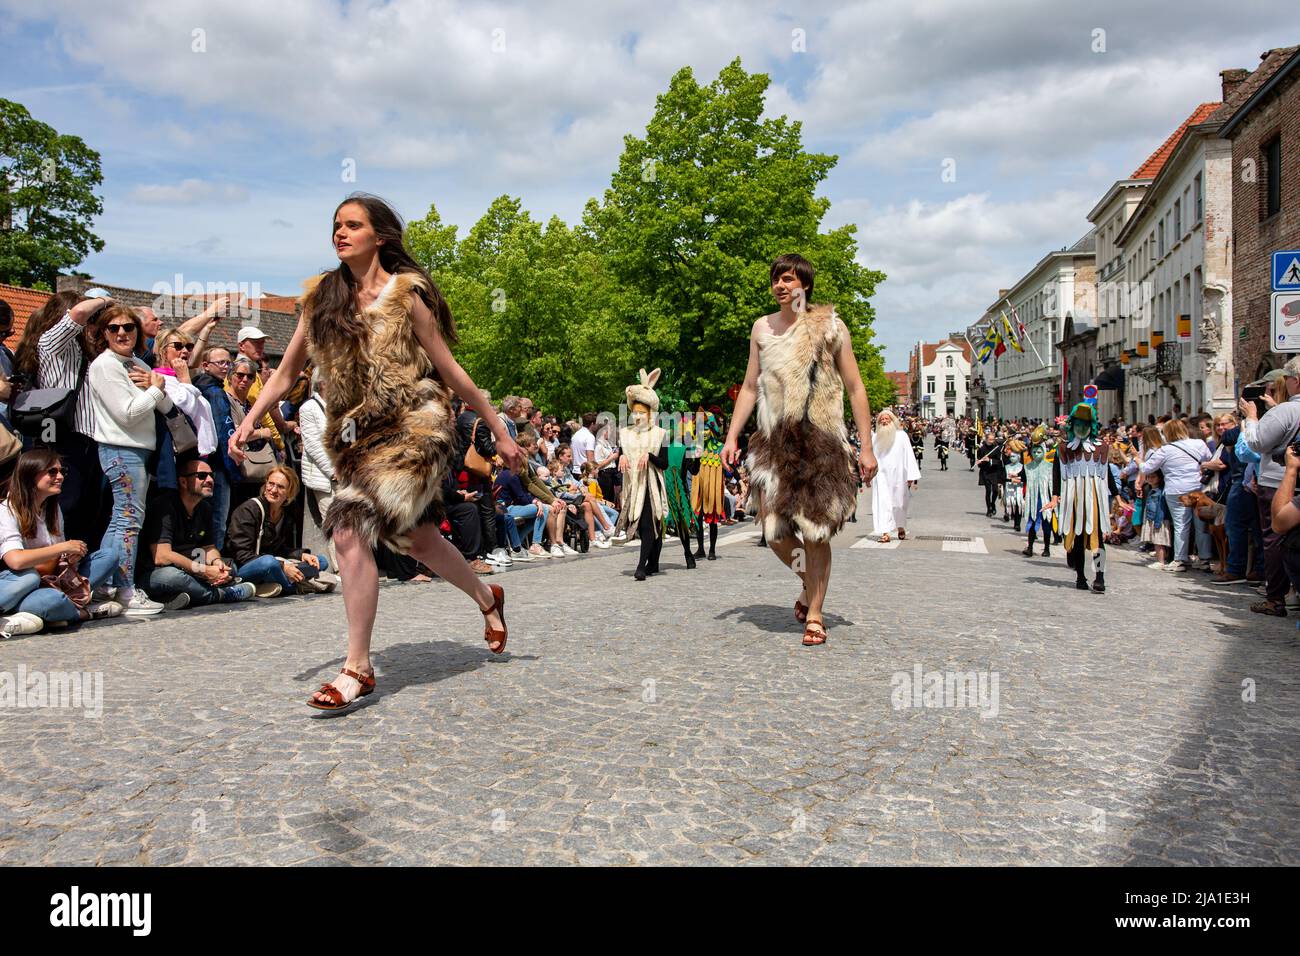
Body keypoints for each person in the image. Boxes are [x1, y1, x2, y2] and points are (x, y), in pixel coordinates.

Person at [229, 193, 524, 711]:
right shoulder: (321, 299)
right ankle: (486, 598)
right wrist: (251, 419)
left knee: (346, 527)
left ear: (380, 236)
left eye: (353, 225)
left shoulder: (407, 294)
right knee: (418, 540)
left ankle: (357, 668)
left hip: (417, 423)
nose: (340, 233)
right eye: (336, 226)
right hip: (356, 437)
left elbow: (450, 370)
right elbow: (286, 371)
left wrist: (499, 429)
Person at [723, 253, 877, 647]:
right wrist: (731, 436)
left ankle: (815, 613)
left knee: (817, 534)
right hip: (775, 443)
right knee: (775, 534)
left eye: (788, 279)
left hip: (821, 442)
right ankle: (809, 581)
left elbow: (856, 387)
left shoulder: (829, 327)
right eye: (776, 279)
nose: (780, 285)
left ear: (804, 285)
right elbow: (751, 387)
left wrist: (866, 448)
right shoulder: (762, 328)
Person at [87, 304, 170, 617]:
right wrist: (154, 390)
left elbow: (166, 404)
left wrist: (154, 387)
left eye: (128, 327)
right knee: (128, 520)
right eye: (114, 328)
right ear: (104, 334)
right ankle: (124, 589)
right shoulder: (105, 366)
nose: (122, 333)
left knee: (123, 519)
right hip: (120, 448)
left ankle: (108, 586)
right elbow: (128, 413)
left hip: (138, 449)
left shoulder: (134, 362)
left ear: (137, 331)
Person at [0, 449, 123, 636]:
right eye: (52, 472)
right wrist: (61, 548)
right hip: (23, 586)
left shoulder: (52, 508)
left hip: (55, 579)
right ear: (31, 473)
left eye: (62, 471)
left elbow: (58, 556)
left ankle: (60, 610)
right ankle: (82, 612)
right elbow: (15, 561)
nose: (60, 477)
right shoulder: (7, 509)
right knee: (43, 591)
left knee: (109, 556)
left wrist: (70, 556)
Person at [138, 454, 257, 609]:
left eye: (211, 475)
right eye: (201, 476)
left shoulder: (205, 508)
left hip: (191, 567)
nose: (210, 480)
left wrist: (216, 563)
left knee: (231, 567)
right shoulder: (164, 507)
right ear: (183, 481)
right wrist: (204, 571)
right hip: (156, 572)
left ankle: (183, 596)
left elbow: (208, 547)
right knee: (173, 577)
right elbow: (162, 556)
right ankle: (220, 595)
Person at [1240, 362, 1300, 617]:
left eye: (1287, 378)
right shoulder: (1283, 410)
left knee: (1275, 537)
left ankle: (1276, 597)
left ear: (1295, 380)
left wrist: (1252, 418)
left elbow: (1257, 443)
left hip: (1280, 481)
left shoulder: (1287, 410)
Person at [225, 465, 337, 596]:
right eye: (270, 484)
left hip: (273, 563)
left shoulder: (287, 512)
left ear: (289, 492)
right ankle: (294, 587)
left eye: (280, 487)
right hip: (246, 567)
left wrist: (301, 555)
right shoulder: (249, 510)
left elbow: (278, 549)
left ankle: (278, 584)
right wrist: (283, 566)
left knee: (320, 561)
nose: (273, 490)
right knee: (269, 562)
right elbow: (242, 555)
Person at [1050, 403, 1115, 594]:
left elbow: (1107, 473)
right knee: (1077, 539)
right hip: (1073, 500)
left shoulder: (1101, 447)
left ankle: (1100, 577)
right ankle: (1080, 576)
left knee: (1098, 541)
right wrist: (1055, 497)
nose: (1081, 427)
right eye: (1078, 423)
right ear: (1072, 424)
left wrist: (1118, 496)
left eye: (1085, 423)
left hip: (1095, 499)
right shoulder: (1063, 449)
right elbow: (1056, 474)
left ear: (1091, 425)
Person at [617, 368, 670, 581]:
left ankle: (641, 566)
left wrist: (650, 455)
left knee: (649, 524)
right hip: (633, 484)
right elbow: (623, 455)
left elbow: (664, 464)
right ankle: (654, 562)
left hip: (651, 485)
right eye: (635, 412)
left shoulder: (660, 434)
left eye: (642, 413)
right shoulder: (625, 433)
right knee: (645, 526)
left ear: (650, 414)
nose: (637, 416)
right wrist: (620, 456)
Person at [869, 409, 919, 543]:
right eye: (882, 419)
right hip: (881, 476)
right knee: (882, 503)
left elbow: (909, 454)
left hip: (899, 475)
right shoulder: (875, 437)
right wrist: (869, 475)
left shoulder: (901, 436)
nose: (884, 421)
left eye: (887, 419)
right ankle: (885, 532)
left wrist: (911, 475)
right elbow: (871, 457)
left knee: (899, 503)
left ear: (892, 420)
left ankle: (900, 526)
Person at [690, 411, 727, 560]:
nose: (702, 432)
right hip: (698, 488)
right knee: (698, 518)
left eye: (705, 428)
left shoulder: (720, 447)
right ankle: (700, 549)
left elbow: (728, 467)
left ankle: (712, 550)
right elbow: (688, 467)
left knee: (712, 519)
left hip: (713, 489)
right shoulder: (693, 447)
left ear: (711, 430)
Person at [1020, 427, 1054, 557]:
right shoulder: (1028, 467)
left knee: (1047, 523)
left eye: (1039, 451)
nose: (1036, 453)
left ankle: (1047, 548)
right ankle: (1030, 547)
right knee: (1032, 522)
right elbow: (1022, 478)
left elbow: (1055, 483)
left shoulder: (1050, 467)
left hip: (1045, 498)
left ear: (1044, 451)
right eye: (1034, 451)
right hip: (1033, 498)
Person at [975, 431, 1006, 518]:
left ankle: (993, 503)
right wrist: (979, 462)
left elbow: (999, 462)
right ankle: (989, 509)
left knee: (995, 490)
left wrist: (990, 460)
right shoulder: (981, 449)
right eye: (990, 439)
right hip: (985, 472)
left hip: (994, 471)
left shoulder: (997, 448)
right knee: (988, 491)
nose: (991, 441)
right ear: (986, 439)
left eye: (993, 439)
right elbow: (979, 464)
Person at [1003, 437, 1026, 533]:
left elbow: (1024, 477)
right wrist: (1009, 480)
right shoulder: (1007, 466)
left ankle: (1017, 524)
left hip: (1019, 489)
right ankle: (1009, 514)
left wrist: (1018, 479)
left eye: (1014, 456)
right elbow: (1003, 477)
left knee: (1018, 505)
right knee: (1010, 504)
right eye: (1011, 456)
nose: (1012, 458)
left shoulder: (1022, 467)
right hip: (1010, 489)